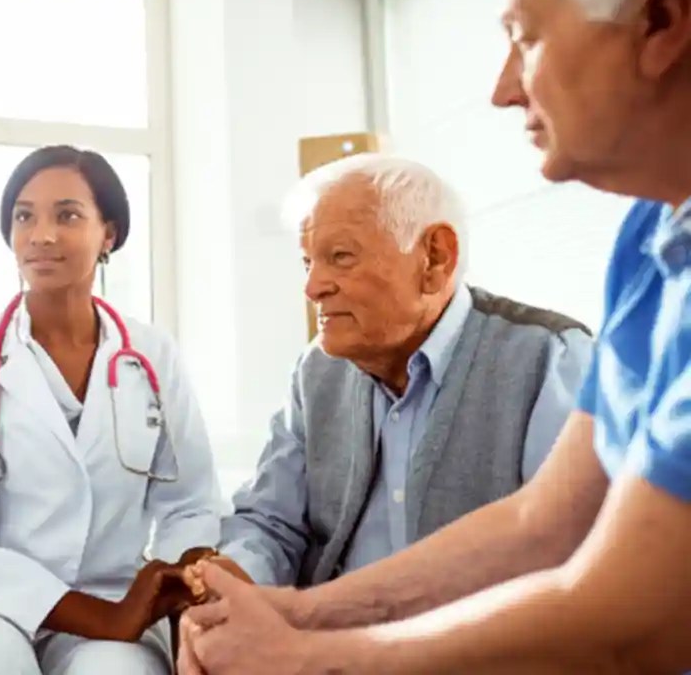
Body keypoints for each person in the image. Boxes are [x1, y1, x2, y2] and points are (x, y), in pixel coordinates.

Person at [178, 0, 691, 673]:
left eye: (527, 35)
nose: (502, 89)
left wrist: (307, 658)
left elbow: (626, 617)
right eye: (309, 262)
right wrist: (295, 613)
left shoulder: (546, 354)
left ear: (663, 21)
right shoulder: (650, 240)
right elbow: (538, 524)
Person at [0, 146, 222, 675]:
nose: (41, 234)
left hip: (113, 592)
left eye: (68, 215)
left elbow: (190, 503)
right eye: (24, 216)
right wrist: (107, 618)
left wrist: (172, 581)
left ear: (110, 235)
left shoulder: (153, 356)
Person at [213, 153, 591, 589]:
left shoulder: (551, 360)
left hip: (483, 645)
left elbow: (568, 553)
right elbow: (272, 523)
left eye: (340, 257)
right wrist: (228, 583)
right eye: (307, 262)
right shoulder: (316, 370)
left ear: (435, 258)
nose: (312, 287)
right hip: (327, 641)